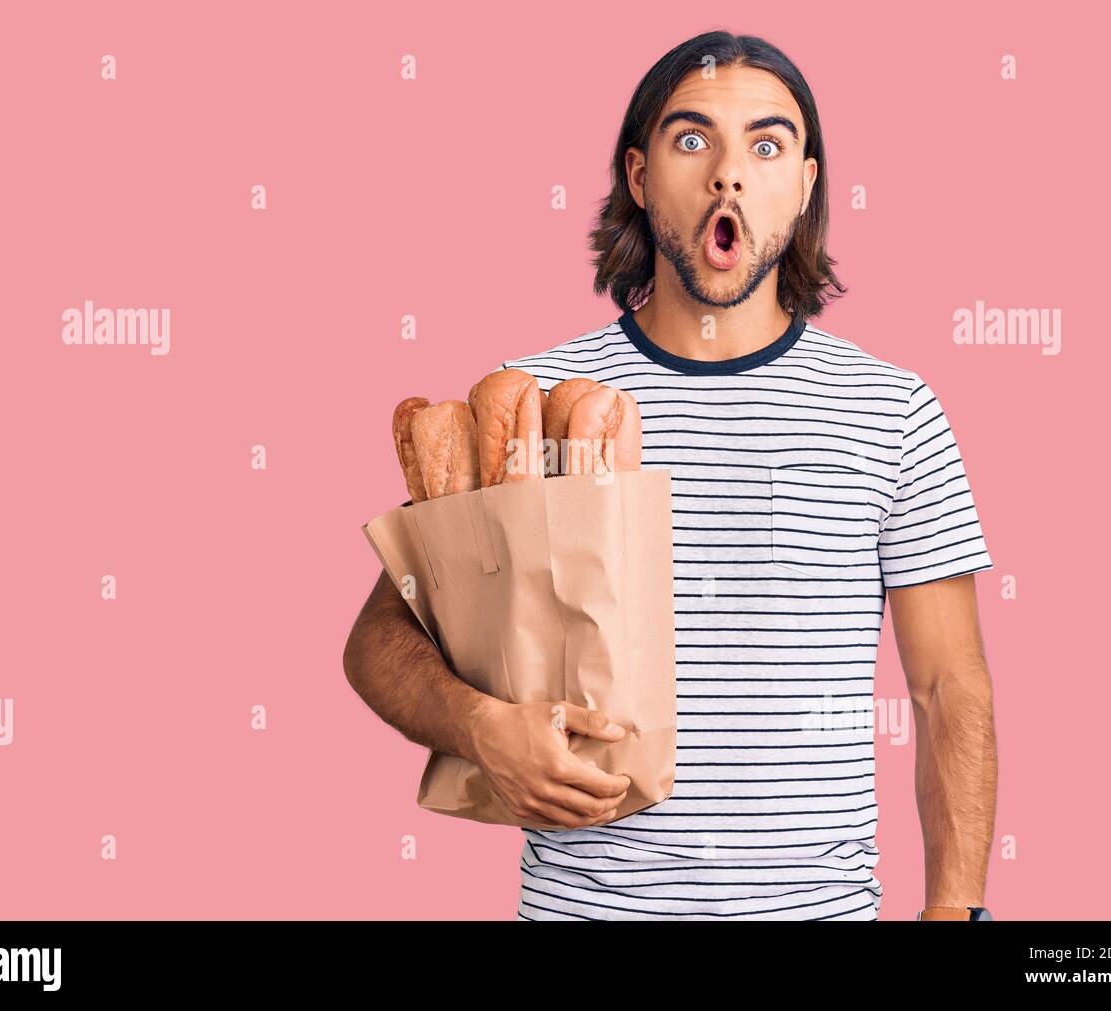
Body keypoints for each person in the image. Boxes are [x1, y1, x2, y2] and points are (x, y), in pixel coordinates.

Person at [344, 30, 997, 921]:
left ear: (804, 186)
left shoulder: (892, 411)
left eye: (766, 145)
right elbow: (378, 641)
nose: (729, 173)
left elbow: (948, 686)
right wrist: (479, 727)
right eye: (693, 140)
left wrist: (957, 910)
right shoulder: (535, 405)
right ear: (641, 177)